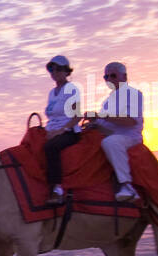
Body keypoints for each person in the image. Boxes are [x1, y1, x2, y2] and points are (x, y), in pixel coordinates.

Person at [86, 61, 144, 201]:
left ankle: (127, 186)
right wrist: (93, 121)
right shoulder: (107, 100)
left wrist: (102, 116)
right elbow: (102, 121)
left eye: (113, 76)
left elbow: (131, 121)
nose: (109, 80)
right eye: (106, 77)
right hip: (108, 133)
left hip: (128, 136)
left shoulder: (134, 94)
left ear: (124, 77)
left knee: (111, 143)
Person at [42, 54, 82, 205]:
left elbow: (77, 116)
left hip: (69, 131)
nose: (54, 72)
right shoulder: (52, 93)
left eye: (58, 69)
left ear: (66, 71)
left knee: (50, 147)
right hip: (52, 129)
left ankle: (57, 189)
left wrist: (61, 131)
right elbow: (52, 116)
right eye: (51, 69)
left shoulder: (71, 89)